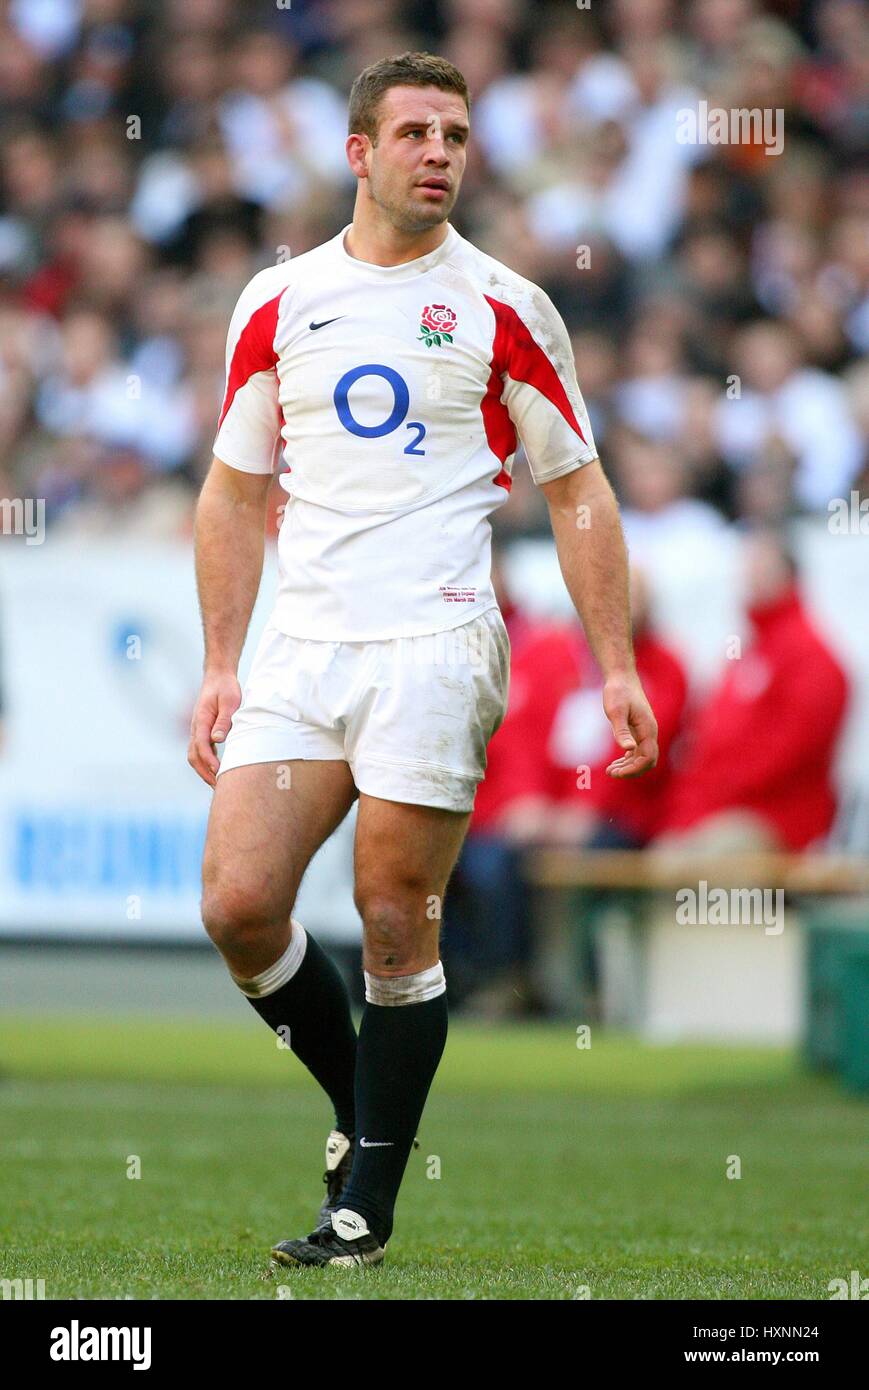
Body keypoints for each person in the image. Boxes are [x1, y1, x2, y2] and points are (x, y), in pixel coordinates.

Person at [187, 51, 658, 1271]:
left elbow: (578, 488)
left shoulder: (505, 303)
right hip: (304, 643)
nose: (439, 152)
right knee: (238, 903)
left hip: (435, 641)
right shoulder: (278, 299)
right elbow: (234, 494)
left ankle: (365, 1209)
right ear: (360, 153)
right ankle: (360, 1114)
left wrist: (613, 663)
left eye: (454, 133)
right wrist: (220, 662)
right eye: (414, 133)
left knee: (393, 917)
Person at [656, 528, 849, 852]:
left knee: (692, 863)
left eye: (761, 566)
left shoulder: (813, 659)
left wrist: (716, 790)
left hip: (778, 818)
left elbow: (788, 753)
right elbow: (707, 736)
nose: (750, 576)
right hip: (719, 811)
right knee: (662, 854)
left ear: (788, 574)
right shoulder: (747, 653)